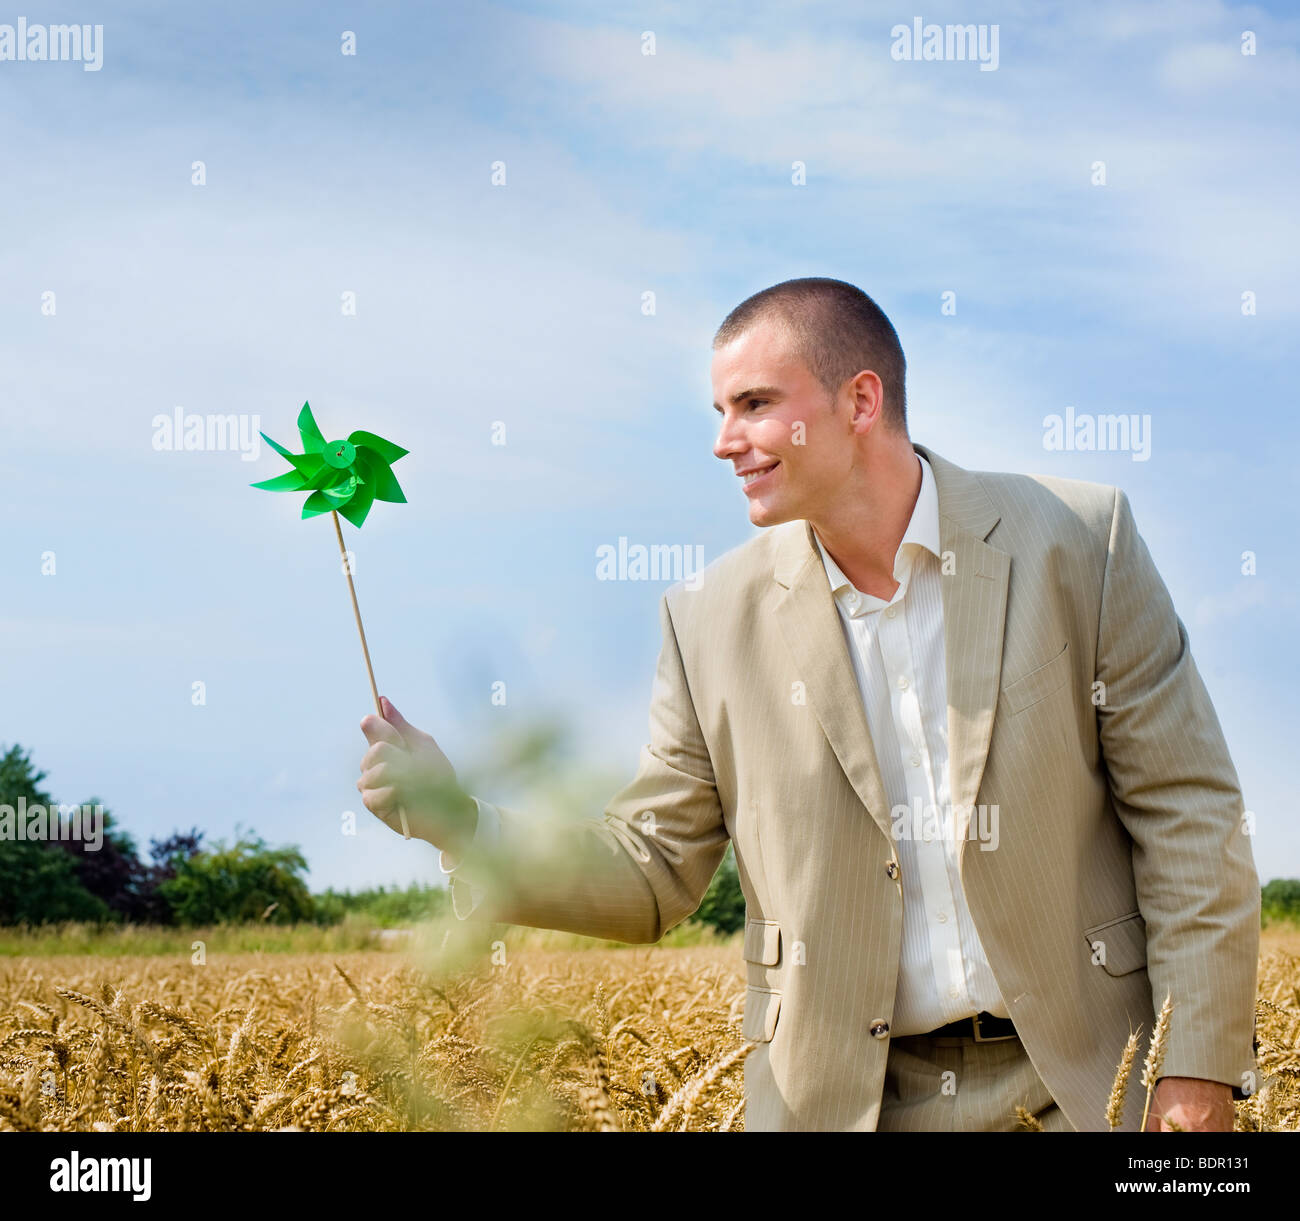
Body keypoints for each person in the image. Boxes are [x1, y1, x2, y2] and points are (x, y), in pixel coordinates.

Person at [358, 277, 1260, 1132]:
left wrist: (1196, 1064)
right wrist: (463, 823)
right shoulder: (704, 622)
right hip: (846, 1104)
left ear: (860, 401)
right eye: (720, 411)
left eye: (753, 404)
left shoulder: (1078, 541)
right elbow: (654, 867)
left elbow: (1186, 808)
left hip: (1094, 1083)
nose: (724, 440)